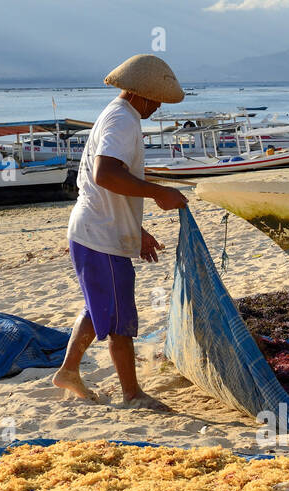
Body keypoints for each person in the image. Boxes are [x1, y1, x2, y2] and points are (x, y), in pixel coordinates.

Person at [53, 53, 189, 405]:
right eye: (155, 99)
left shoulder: (120, 115)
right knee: (119, 318)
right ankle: (132, 394)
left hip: (97, 231)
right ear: (140, 93)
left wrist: (136, 229)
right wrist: (159, 192)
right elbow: (106, 175)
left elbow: (109, 185)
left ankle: (68, 370)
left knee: (98, 304)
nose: (158, 106)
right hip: (98, 236)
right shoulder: (122, 119)